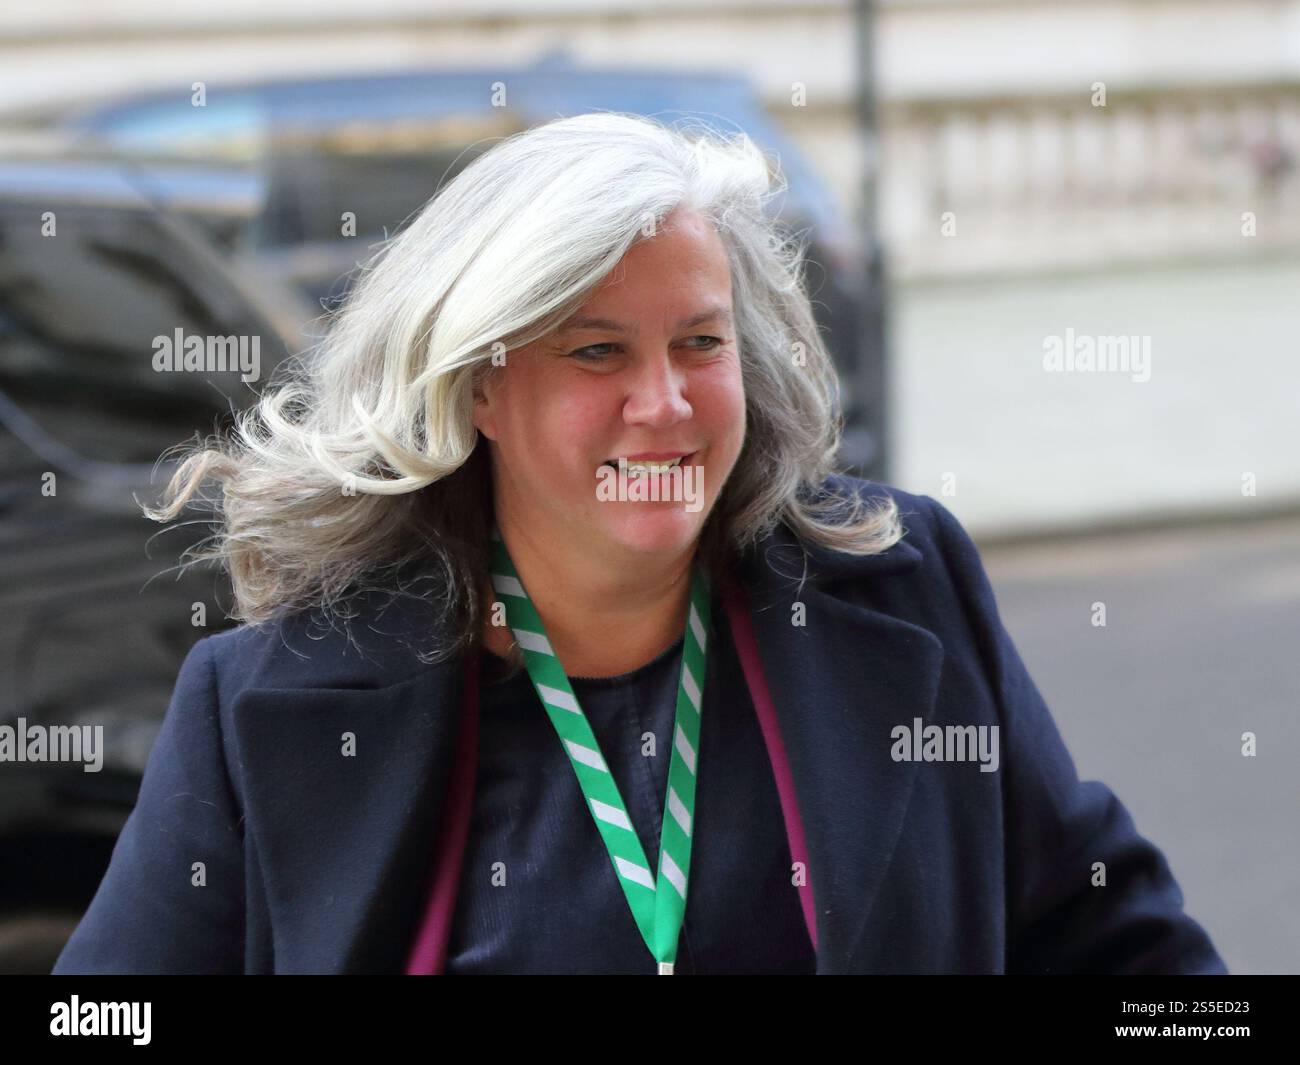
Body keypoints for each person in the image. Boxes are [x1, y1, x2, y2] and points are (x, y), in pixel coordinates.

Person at [52, 112, 1226, 975]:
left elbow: (1108, 935)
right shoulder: (275, 700)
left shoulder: (898, 588)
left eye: (699, 345)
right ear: (478, 393)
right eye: (596, 352)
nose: (664, 403)